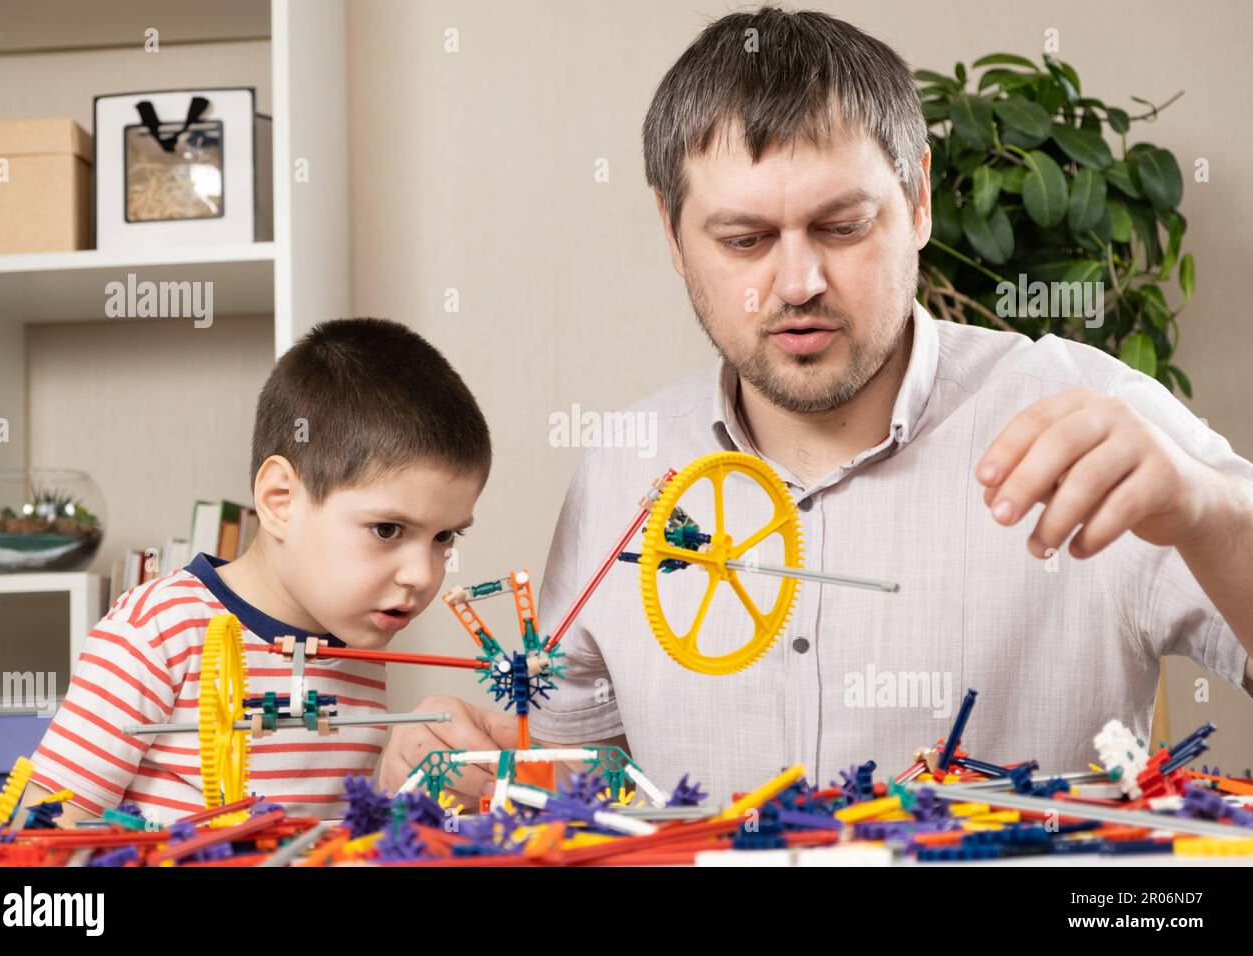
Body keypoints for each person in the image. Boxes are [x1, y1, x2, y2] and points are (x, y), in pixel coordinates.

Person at [387, 6, 1253, 806]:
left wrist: (1209, 510)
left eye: (841, 227)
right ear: (671, 235)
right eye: (744, 240)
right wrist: (485, 772)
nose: (797, 284)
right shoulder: (622, 472)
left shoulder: (1092, 412)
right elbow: (586, 790)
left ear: (916, 200)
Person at [20, 317, 506, 824]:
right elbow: (42, 832)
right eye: (387, 530)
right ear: (280, 500)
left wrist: (399, 796)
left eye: (445, 536)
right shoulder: (157, 630)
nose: (423, 576)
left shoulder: (356, 641)